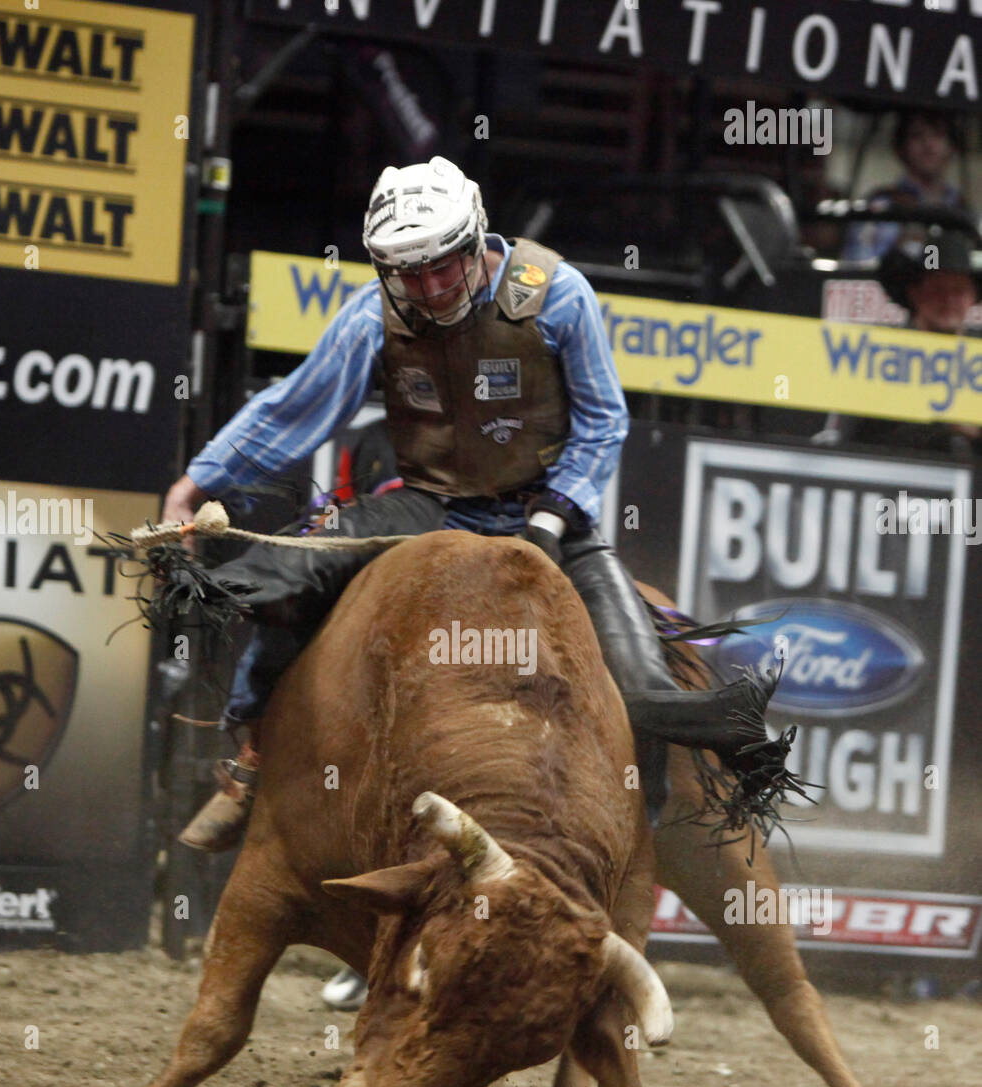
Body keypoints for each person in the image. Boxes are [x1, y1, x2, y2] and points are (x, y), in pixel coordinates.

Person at [163, 156, 792, 860]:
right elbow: (295, 407)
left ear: (474, 242)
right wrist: (196, 485)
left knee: (640, 686)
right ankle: (249, 768)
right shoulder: (371, 312)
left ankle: (633, 828)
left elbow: (603, 420)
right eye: (408, 273)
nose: (428, 290)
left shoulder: (555, 294)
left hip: (551, 516)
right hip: (431, 505)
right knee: (280, 577)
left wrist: (555, 513)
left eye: (443, 267)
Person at [820, 230, 982, 457]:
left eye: (958, 290)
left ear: (973, 297)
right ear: (915, 293)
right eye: (938, 289)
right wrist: (941, 426)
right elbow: (851, 434)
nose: (948, 300)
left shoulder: (978, 355)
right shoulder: (880, 352)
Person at [841, 111, 970, 263]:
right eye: (917, 135)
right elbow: (856, 268)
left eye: (938, 135)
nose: (928, 145)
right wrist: (902, 248)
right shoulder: (879, 207)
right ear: (901, 147)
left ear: (952, 147)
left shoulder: (963, 207)